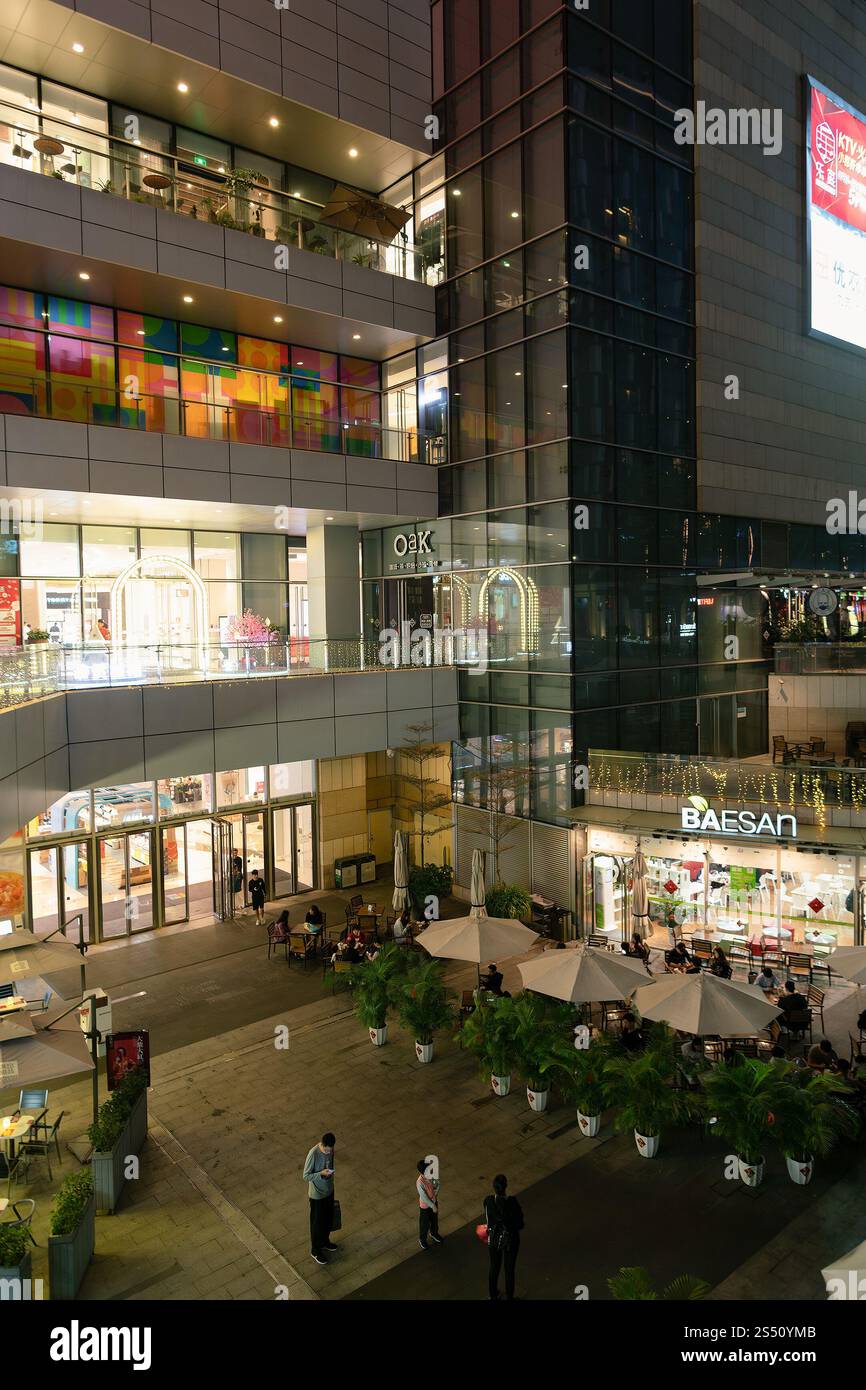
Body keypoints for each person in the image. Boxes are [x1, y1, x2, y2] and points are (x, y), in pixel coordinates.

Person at [484, 1174, 523, 1301]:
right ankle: (509, 1297)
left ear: (494, 1187)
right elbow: (520, 1224)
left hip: (494, 1239)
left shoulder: (488, 1201)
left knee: (494, 1266)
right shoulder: (512, 1202)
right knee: (509, 1269)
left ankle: (493, 1295)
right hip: (510, 1240)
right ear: (506, 1186)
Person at [303, 1132, 337, 1265]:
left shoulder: (331, 1149)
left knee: (328, 1219)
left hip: (329, 1190)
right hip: (317, 1195)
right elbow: (306, 1176)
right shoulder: (313, 1153)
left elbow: (330, 1164)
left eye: (331, 1149)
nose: (329, 1152)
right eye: (327, 1150)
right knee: (317, 1223)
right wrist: (320, 1174)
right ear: (322, 1144)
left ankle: (325, 1242)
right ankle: (316, 1250)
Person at [416, 1159, 443, 1250]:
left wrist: (435, 1194)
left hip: (434, 1201)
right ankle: (422, 1239)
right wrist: (432, 1205)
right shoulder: (420, 1182)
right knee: (424, 1224)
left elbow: (438, 1184)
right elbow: (423, 1197)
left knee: (434, 1220)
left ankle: (434, 1233)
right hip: (425, 1206)